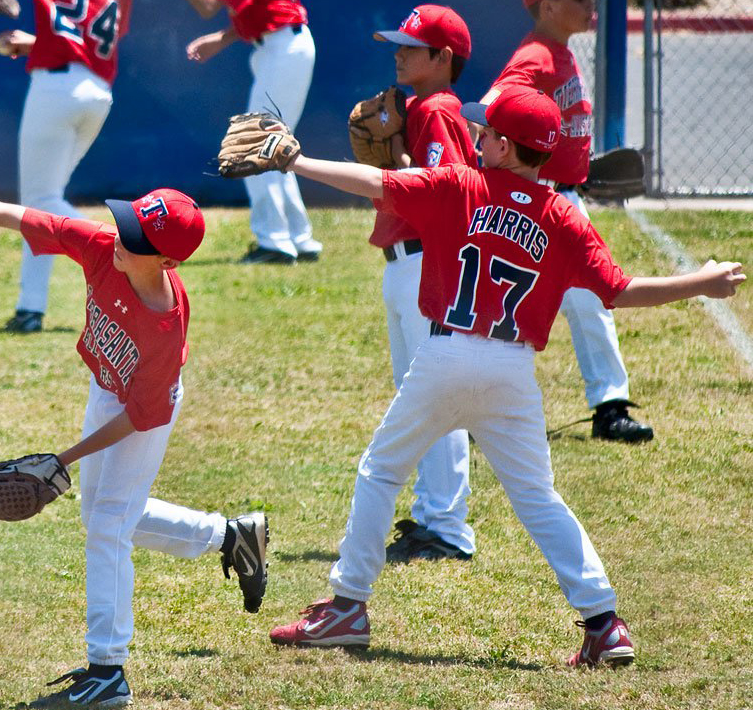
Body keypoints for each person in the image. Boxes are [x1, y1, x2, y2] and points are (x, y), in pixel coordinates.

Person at [261, 86, 744, 664]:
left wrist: (295, 161)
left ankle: (346, 605)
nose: (477, 137)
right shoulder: (562, 214)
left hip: (445, 358)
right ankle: (604, 622)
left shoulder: (460, 184)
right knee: (538, 498)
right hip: (512, 371)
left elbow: (375, 183)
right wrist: (703, 281)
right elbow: (620, 291)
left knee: (382, 471)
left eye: (487, 133)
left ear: (507, 146)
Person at [0, 189, 269, 707]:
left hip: (142, 410)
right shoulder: (102, 245)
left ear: (168, 261)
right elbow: (12, 214)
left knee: (109, 526)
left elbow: (140, 417)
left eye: (135, 240)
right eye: (127, 224)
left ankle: (107, 671)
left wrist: (63, 459)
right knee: (102, 515)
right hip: (108, 389)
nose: (121, 239)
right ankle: (231, 536)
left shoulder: (163, 326)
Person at [479, 0, 653, 442]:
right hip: (540, 204)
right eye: (580, 0)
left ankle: (610, 407)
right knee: (505, 311)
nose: (591, 6)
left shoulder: (560, 50)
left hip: (563, 198)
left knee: (592, 299)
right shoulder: (533, 57)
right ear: (550, 5)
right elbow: (487, 111)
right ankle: (474, 413)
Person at [364, 5, 478, 563]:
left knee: (435, 394)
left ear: (442, 58)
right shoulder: (426, 108)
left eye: (411, 47)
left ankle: (448, 527)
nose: (398, 53)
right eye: (399, 44)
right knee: (421, 394)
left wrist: (397, 166)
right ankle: (436, 515)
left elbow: (446, 188)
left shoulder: (434, 110)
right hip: (406, 262)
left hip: (424, 263)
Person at [0, 0, 133, 333]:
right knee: (43, 202)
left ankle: (125, 248)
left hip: (55, 90)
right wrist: (36, 44)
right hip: (97, 93)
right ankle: (30, 308)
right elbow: (86, 37)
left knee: (41, 202)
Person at [183, 0, 322, 264]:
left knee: (255, 145)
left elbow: (208, 7)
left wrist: (220, 38)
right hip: (280, 45)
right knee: (275, 146)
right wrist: (221, 39)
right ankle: (298, 238)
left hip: (283, 47)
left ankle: (275, 243)